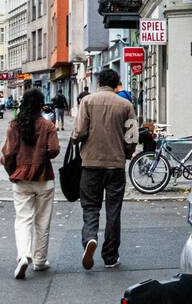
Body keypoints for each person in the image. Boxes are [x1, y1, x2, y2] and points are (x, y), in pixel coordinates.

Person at [72, 67, 138, 271]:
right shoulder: (126, 104)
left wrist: (76, 139)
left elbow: (80, 131)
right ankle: (110, 256)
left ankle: (90, 239)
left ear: (99, 83)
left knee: (91, 206)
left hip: (91, 164)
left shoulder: (88, 101)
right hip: (115, 165)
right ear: (116, 84)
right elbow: (132, 137)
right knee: (113, 210)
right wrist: (126, 153)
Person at [1, 88, 60, 278]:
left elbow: (7, 154)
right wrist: (41, 154)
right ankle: (40, 260)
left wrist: (13, 171)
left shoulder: (14, 125)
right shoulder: (48, 125)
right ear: (41, 105)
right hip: (44, 179)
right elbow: (54, 150)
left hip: (22, 180)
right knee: (42, 221)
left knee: (23, 219)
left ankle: (24, 256)